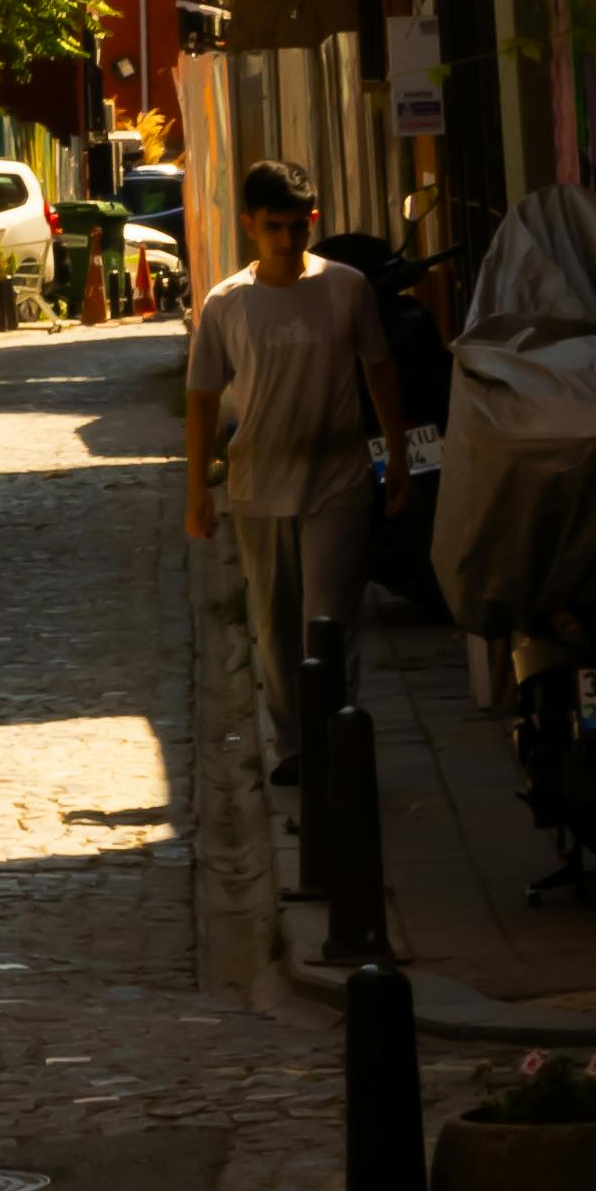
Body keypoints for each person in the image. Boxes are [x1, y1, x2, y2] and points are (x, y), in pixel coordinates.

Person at [184, 156, 409, 770]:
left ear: (312, 222)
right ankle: (292, 746)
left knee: (330, 620)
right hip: (258, 483)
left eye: (298, 227)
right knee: (275, 624)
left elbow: (379, 370)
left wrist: (398, 453)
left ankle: (337, 739)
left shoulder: (346, 287)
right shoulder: (227, 304)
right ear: (250, 225)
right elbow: (202, 398)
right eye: (273, 227)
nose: (287, 240)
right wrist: (197, 491)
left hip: (337, 479)